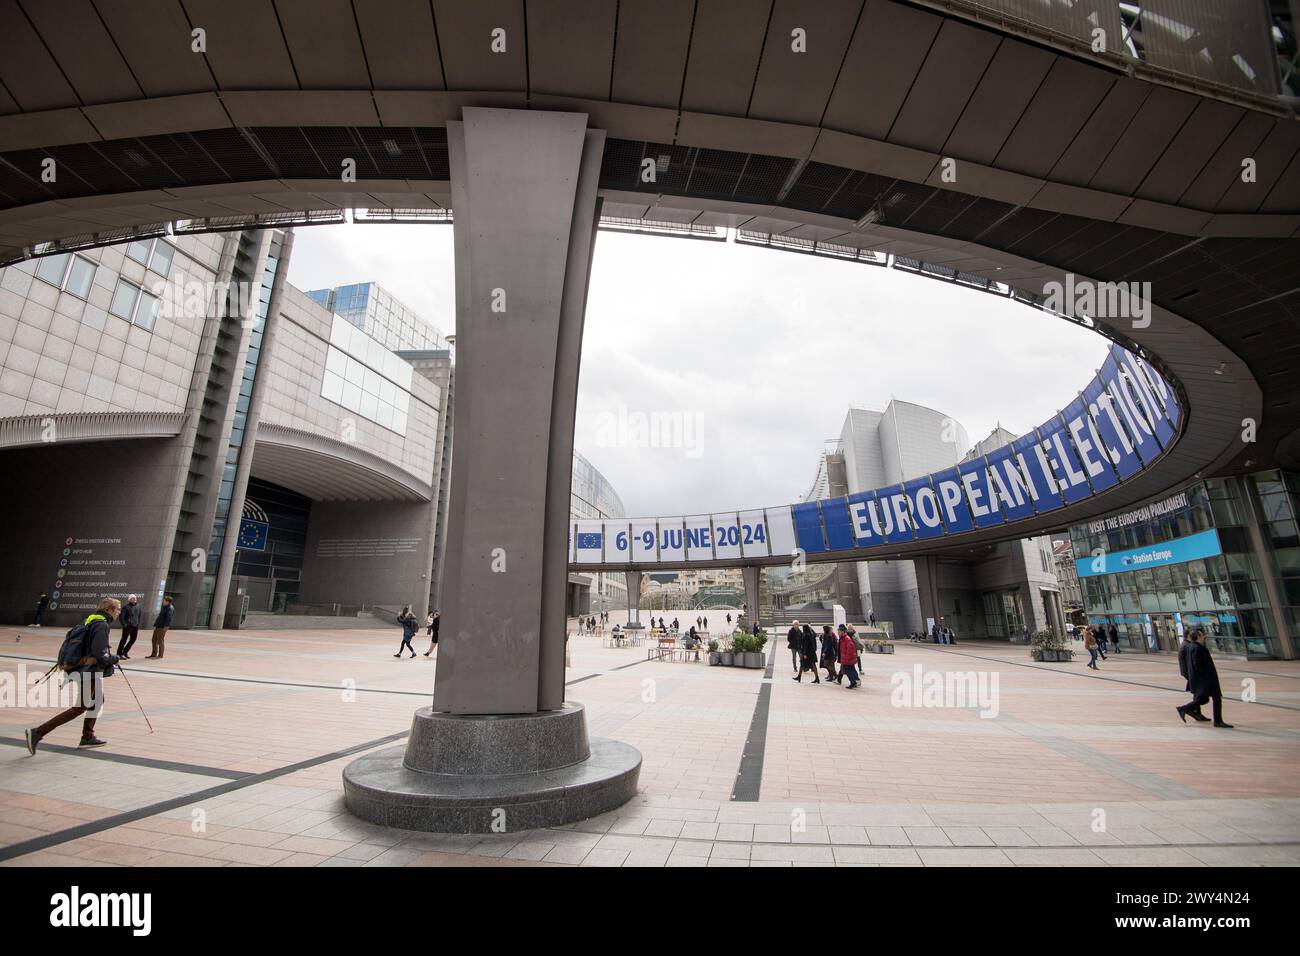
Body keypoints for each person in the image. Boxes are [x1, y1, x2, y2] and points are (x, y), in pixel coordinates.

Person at [25, 597, 121, 753]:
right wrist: (114, 658)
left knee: (97, 700)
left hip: (82, 668)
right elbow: (100, 655)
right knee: (80, 707)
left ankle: (87, 737)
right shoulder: (101, 625)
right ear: (109, 609)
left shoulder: (89, 620)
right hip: (88, 671)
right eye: (118, 609)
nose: (118, 613)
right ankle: (37, 732)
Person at [1178, 630, 1233, 727]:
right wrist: (1205, 676)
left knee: (1203, 699)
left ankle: (1185, 709)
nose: (1204, 637)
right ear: (1198, 637)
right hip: (1206, 679)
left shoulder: (1191, 646)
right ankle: (1218, 721)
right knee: (1216, 699)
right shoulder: (1198, 648)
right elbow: (1197, 664)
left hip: (1201, 679)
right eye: (1202, 635)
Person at [1176, 633, 1208, 722]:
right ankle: (1188, 710)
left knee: (1199, 695)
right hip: (1192, 674)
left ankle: (1196, 713)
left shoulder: (1186, 645)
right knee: (1201, 696)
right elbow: (1193, 662)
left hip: (1191, 674)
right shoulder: (1188, 646)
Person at [145, 595, 174, 660]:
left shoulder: (170, 608)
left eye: (164, 600)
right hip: (158, 626)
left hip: (162, 627)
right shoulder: (165, 607)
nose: (163, 601)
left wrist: (165, 627)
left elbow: (168, 618)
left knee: (160, 641)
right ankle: (153, 654)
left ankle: (160, 655)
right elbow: (160, 617)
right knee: (154, 640)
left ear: (168, 602)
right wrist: (155, 625)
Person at [116, 593, 141, 659]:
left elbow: (139, 615)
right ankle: (119, 654)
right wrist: (125, 625)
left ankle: (125, 652)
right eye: (132, 598)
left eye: (135, 598)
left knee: (133, 639)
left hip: (135, 626)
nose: (134, 599)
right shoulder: (125, 607)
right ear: (129, 600)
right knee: (124, 640)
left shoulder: (138, 606)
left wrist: (138, 623)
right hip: (128, 626)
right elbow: (121, 617)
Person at [837, 624, 860, 689]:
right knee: (851, 670)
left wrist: (847, 658)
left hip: (847, 658)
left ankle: (853, 682)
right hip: (846, 658)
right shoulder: (843, 638)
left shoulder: (846, 639)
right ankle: (856, 681)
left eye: (839, 631)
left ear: (842, 631)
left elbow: (850, 649)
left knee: (848, 671)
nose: (838, 633)